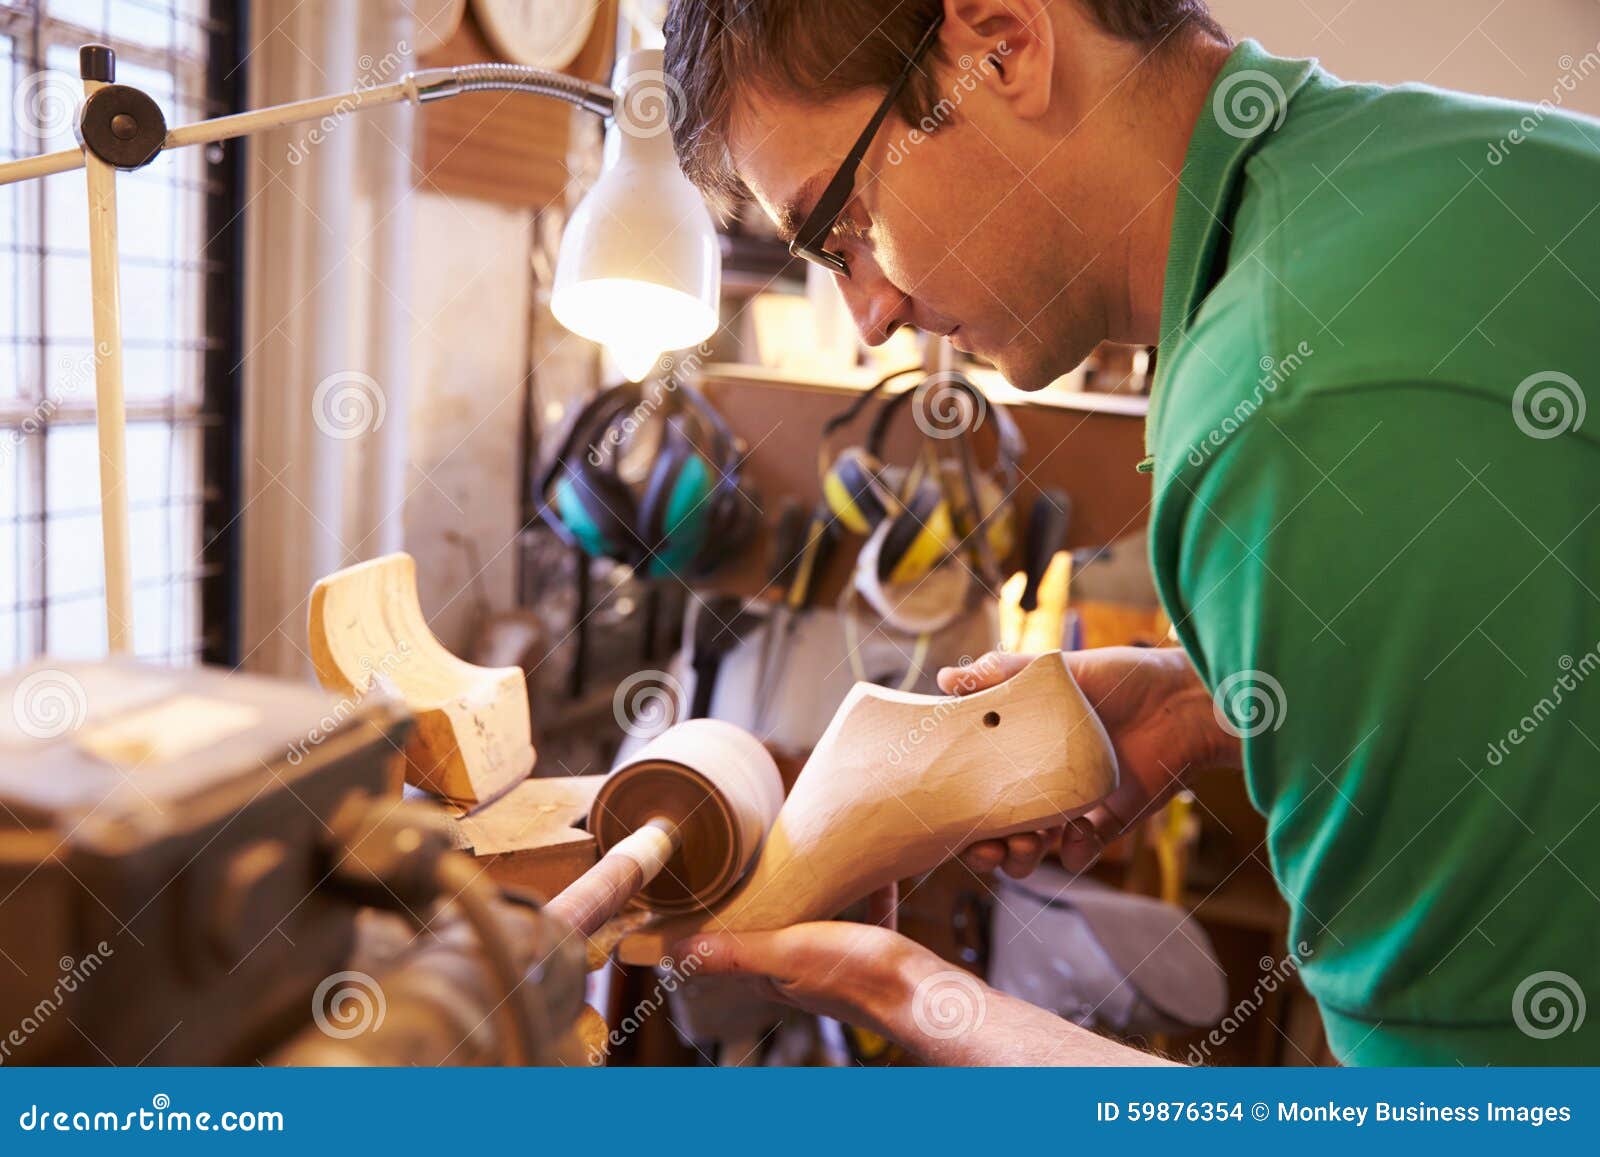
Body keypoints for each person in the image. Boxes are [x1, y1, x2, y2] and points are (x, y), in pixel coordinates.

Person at [661, 0, 1600, 1065]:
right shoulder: (1414, 174)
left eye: (843, 226)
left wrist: (921, 997)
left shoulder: (1293, 404)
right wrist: (1209, 702)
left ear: (1001, 43)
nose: (868, 313)